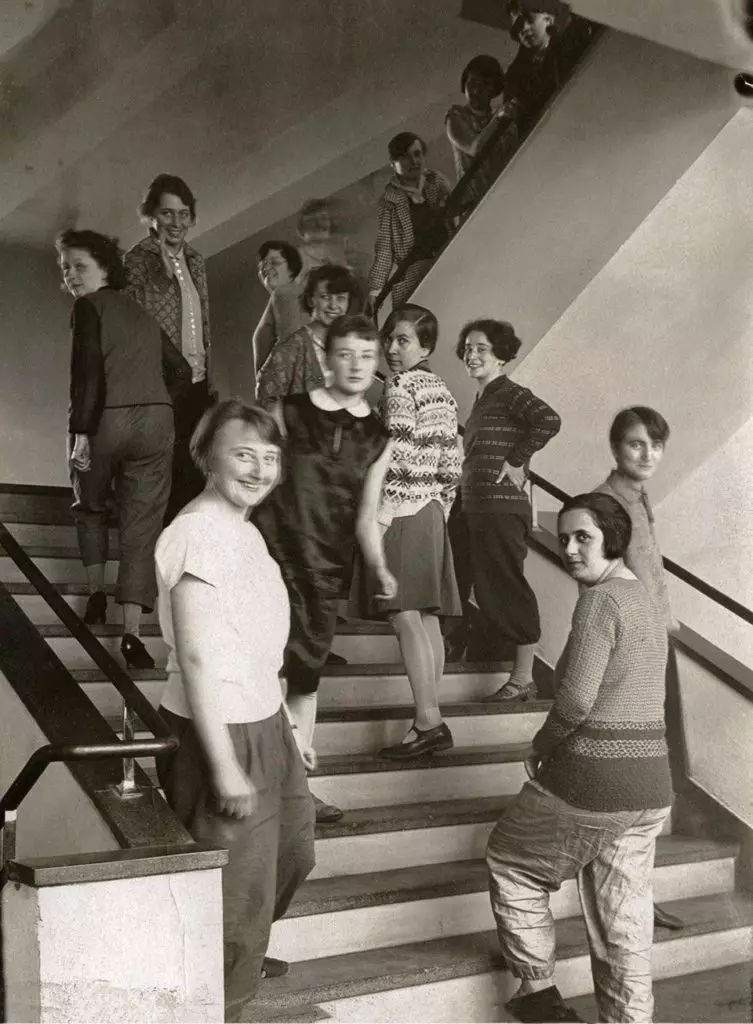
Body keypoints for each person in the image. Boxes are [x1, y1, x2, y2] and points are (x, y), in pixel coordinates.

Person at [154, 399, 315, 1023]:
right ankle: (219, 998)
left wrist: (287, 726)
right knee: (234, 892)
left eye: (270, 457)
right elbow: (196, 660)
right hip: (216, 728)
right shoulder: (195, 532)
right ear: (205, 457)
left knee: (294, 853)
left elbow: (254, 648)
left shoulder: (244, 530)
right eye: (242, 453)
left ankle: (238, 957)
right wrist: (224, 769)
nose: (258, 469)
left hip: (264, 718)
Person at [486, 492, 672, 1024]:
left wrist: (540, 746)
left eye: (582, 537)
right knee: (624, 918)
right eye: (563, 537)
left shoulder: (602, 600)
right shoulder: (647, 601)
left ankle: (538, 995)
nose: (568, 548)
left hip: (597, 779)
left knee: (511, 861)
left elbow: (573, 700)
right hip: (651, 788)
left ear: (612, 539)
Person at [254, 314, 396, 821]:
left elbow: (366, 514)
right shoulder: (287, 411)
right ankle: (261, 783)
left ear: (377, 362)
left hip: (327, 567)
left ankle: (295, 791)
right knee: (262, 665)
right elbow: (255, 477)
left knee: (306, 678)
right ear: (325, 358)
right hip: (269, 553)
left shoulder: (379, 437)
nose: (356, 365)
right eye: (344, 354)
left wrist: (379, 567)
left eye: (366, 354)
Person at [59, 229, 185, 669]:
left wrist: (80, 432)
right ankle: (132, 636)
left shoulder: (86, 307)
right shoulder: (145, 314)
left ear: (105, 268)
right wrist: (155, 400)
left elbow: (86, 374)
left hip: (103, 420)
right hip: (156, 421)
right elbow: (182, 371)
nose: (70, 276)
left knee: (90, 507)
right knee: (141, 528)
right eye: (66, 269)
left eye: (79, 266)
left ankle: (96, 596)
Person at [354, 304, 462, 759]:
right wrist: (440, 507)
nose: (393, 350)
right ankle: (428, 716)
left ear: (427, 347)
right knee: (427, 617)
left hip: (401, 507)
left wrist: (378, 515)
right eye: (390, 340)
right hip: (432, 512)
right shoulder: (442, 389)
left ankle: (428, 721)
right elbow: (454, 464)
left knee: (404, 616)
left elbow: (392, 451)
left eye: (405, 341)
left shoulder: (399, 386)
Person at [594, 406, 685, 933]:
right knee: (633, 776)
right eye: (635, 444)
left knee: (651, 778)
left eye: (655, 444)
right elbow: (601, 585)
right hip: (631, 656)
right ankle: (626, 896)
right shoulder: (605, 505)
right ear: (616, 449)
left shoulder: (638, 498)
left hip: (655, 647)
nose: (647, 454)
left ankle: (636, 892)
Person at [454, 319, 560, 695]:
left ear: (500, 354)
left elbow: (548, 420)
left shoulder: (509, 391)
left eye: (481, 348)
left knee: (505, 586)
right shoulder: (483, 398)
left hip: (500, 508)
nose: (472, 355)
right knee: (471, 585)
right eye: (468, 348)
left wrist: (517, 459)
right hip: (475, 507)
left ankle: (523, 679)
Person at [124, 174, 213, 525]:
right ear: (151, 216)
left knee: (193, 473)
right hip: (159, 383)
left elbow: (203, 320)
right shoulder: (137, 261)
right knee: (159, 477)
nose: (176, 222)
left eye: (183, 213)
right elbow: (132, 323)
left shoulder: (197, 260)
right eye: (167, 213)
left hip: (198, 381)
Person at [366, 133, 451, 313]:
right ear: (392, 163)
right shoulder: (389, 201)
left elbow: (456, 207)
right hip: (415, 269)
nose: (414, 161)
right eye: (405, 156)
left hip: (447, 256)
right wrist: (375, 289)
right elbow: (384, 248)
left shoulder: (435, 180)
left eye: (417, 154)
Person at [256, 263, 359, 408]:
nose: (333, 305)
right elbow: (265, 397)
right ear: (311, 300)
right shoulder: (291, 349)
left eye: (340, 298)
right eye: (325, 297)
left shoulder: (349, 346)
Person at [445, 55, 519, 207]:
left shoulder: (506, 121)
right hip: (474, 206)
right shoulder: (456, 116)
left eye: (485, 84)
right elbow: (474, 149)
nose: (476, 90)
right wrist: (499, 118)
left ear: (494, 89)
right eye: (472, 82)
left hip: (505, 197)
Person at [252, 240, 306, 381]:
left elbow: (290, 347)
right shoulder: (293, 294)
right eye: (263, 264)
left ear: (292, 268)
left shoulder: (283, 294)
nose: (267, 268)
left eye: (275, 263)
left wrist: (262, 383)